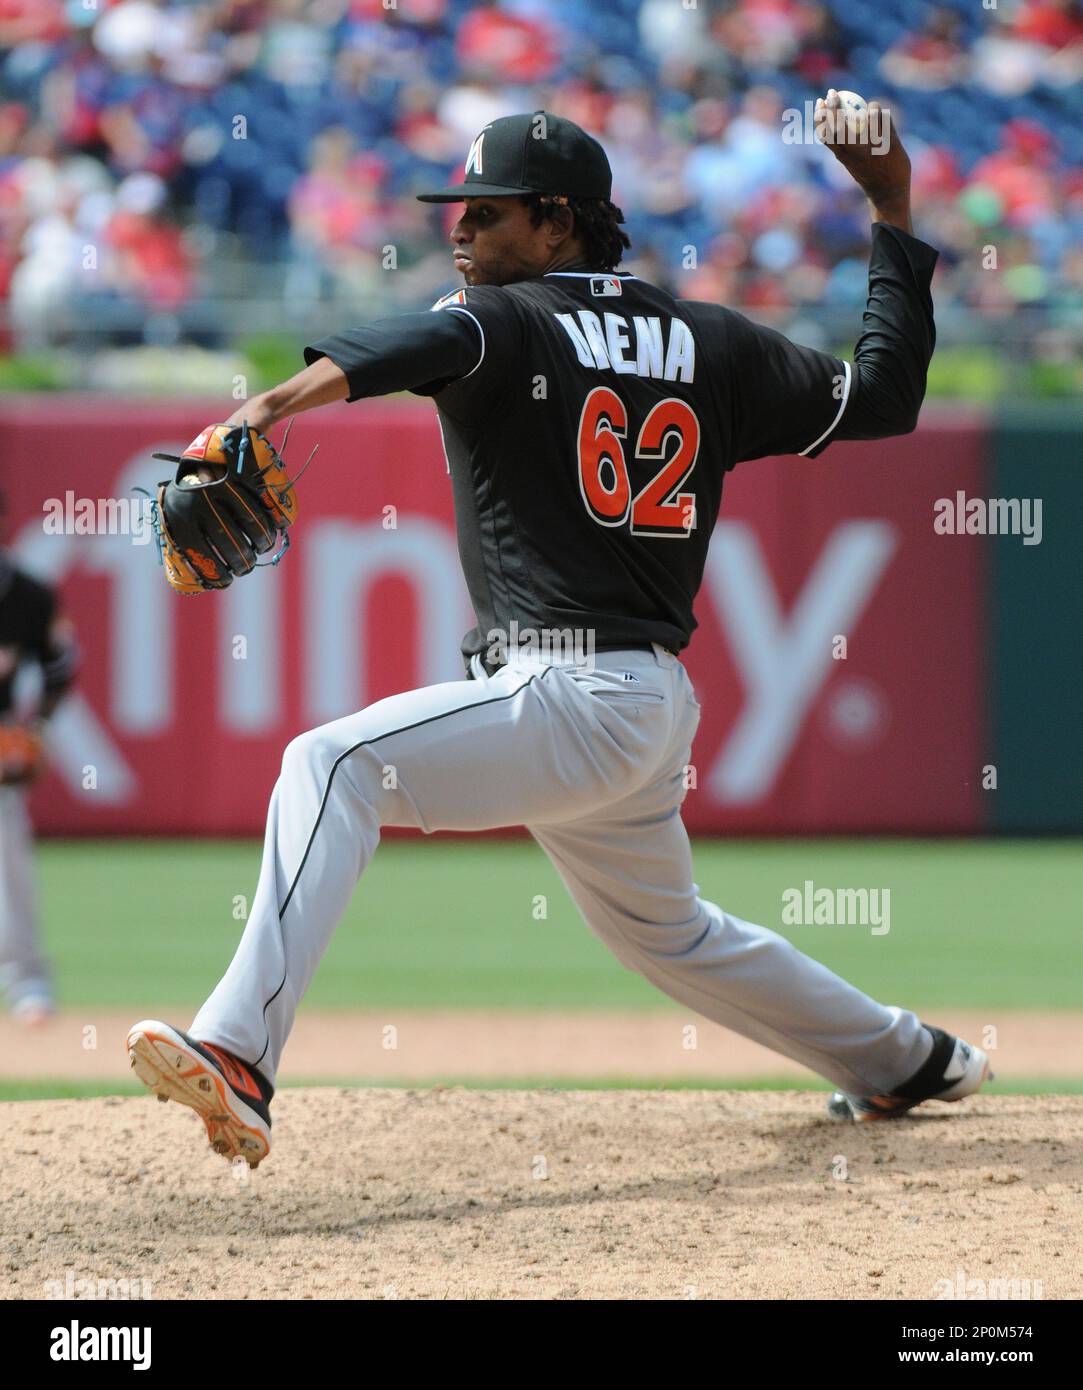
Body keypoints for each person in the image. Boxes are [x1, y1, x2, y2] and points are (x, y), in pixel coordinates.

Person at [127, 99, 991, 1167]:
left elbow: (413, 342)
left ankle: (242, 1051)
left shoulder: (507, 319)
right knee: (671, 935)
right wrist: (891, 204)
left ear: (556, 223)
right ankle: (907, 1059)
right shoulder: (710, 339)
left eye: (487, 213)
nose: (461, 230)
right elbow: (888, 397)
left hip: (569, 693)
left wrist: (266, 406)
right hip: (645, 708)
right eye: (459, 210)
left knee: (329, 764)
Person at [0, 506, 80, 1023]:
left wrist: (37, 727)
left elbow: (61, 662)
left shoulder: (26, 594)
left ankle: (27, 981)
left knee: (9, 866)